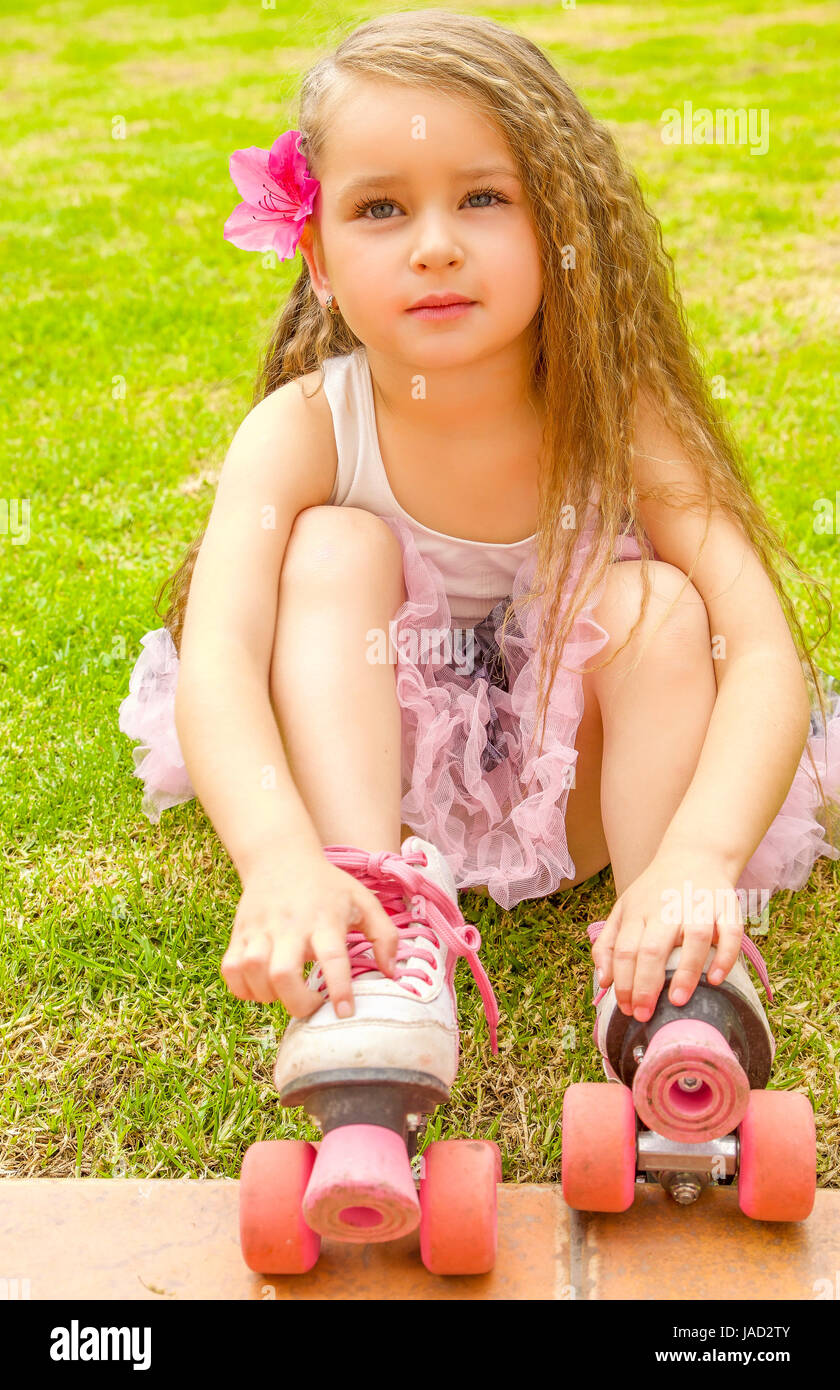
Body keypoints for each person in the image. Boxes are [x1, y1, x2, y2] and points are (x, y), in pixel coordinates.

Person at [119, 10, 839, 1064]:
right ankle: (381, 928)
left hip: (589, 787)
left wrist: (700, 849)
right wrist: (278, 855)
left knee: (663, 605)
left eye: (484, 197)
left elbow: (760, 646)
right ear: (316, 256)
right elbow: (220, 658)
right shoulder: (308, 427)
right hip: (373, 774)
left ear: (560, 222)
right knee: (329, 551)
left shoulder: (616, 414)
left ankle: (668, 966)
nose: (437, 244)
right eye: (381, 208)